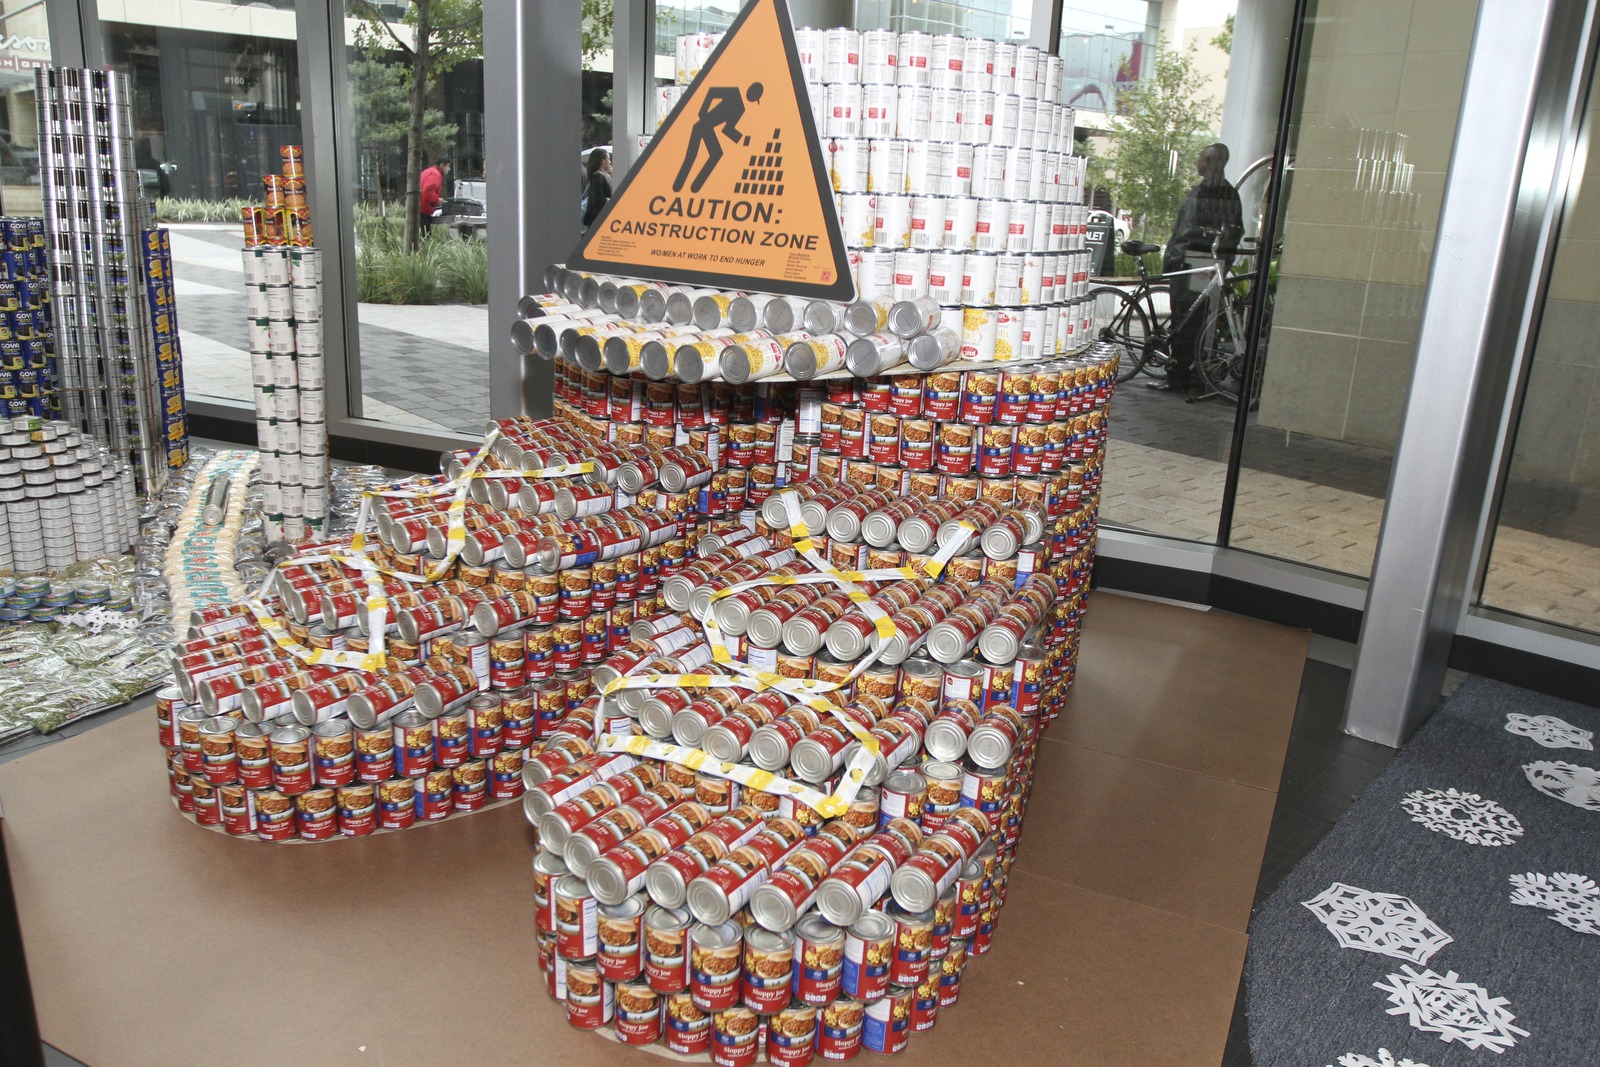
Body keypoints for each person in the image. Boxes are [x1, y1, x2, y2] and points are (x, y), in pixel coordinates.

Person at [1155, 142, 1243, 394]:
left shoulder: (1202, 192)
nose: (1198, 162)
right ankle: (1196, 372)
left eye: (1201, 158)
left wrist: (1172, 261)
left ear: (1211, 162)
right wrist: (1224, 262)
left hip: (1190, 262)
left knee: (1184, 319)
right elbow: (1235, 232)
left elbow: (1185, 231)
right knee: (1201, 320)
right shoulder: (1230, 193)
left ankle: (1177, 376)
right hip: (1210, 263)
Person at [419, 154, 451, 235]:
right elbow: (427, 191)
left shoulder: (427, 171)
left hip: (418, 208)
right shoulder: (436, 174)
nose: (449, 169)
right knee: (425, 238)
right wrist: (437, 199)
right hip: (424, 210)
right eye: (448, 166)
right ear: (442, 165)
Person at [582, 148, 613, 229]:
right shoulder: (599, 176)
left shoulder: (600, 175)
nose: (610, 162)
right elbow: (599, 200)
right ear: (602, 160)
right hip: (598, 220)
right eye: (608, 159)